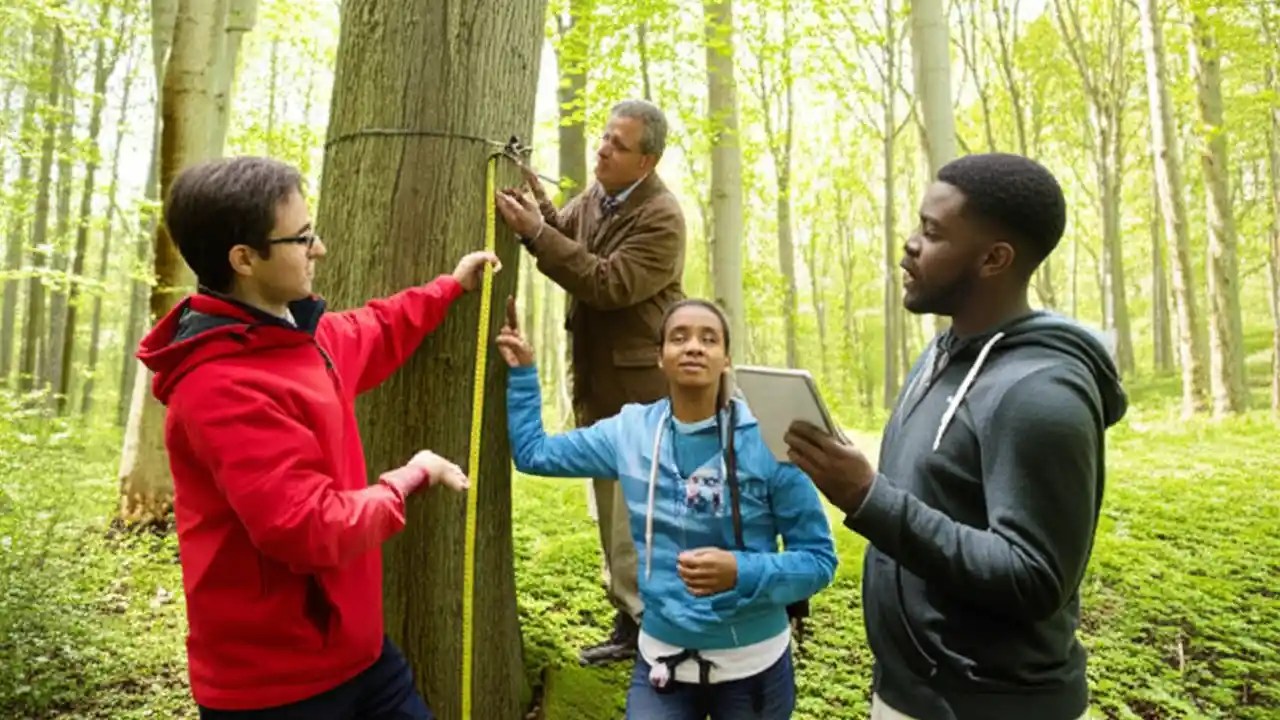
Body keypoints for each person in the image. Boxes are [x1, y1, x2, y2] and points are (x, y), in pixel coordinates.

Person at [136, 156, 499, 719]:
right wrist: (410, 477)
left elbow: (372, 329)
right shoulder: (218, 387)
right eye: (302, 237)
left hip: (360, 656)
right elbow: (306, 526)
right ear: (244, 259)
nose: (319, 248)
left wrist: (448, 287)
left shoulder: (299, 336)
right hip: (273, 689)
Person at [785, 153, 1127, 720]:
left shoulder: (1042, 394)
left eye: (932, 232)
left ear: (994, 258)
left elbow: (1035, 577)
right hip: (908, 692)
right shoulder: (941, 354)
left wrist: (867, 497)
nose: (909, 245)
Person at [497, 296, 837, 719]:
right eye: (679, 337)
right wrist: (524, 372)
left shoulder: (768, 440)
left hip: (754, 667)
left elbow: (820, 560)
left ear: (726, 359)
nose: (694, 346)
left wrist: (741, 570)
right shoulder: (630, 433)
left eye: (708, 338)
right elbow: (535, 453)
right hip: (662, 663)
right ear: (659, 357)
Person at [495, 98, 687, 665]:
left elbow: (607, 282)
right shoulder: (600, 197)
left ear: (646, 162)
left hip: (640, 392)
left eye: (618, 145)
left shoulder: (661, 217)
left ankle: (649, 630)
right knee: (613, 512)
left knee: (637, 517)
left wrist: (535, 234)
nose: (603, 149)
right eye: (605, 137)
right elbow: (564, 233)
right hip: (600, 385)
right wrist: (539, 207)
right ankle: (631, 618)